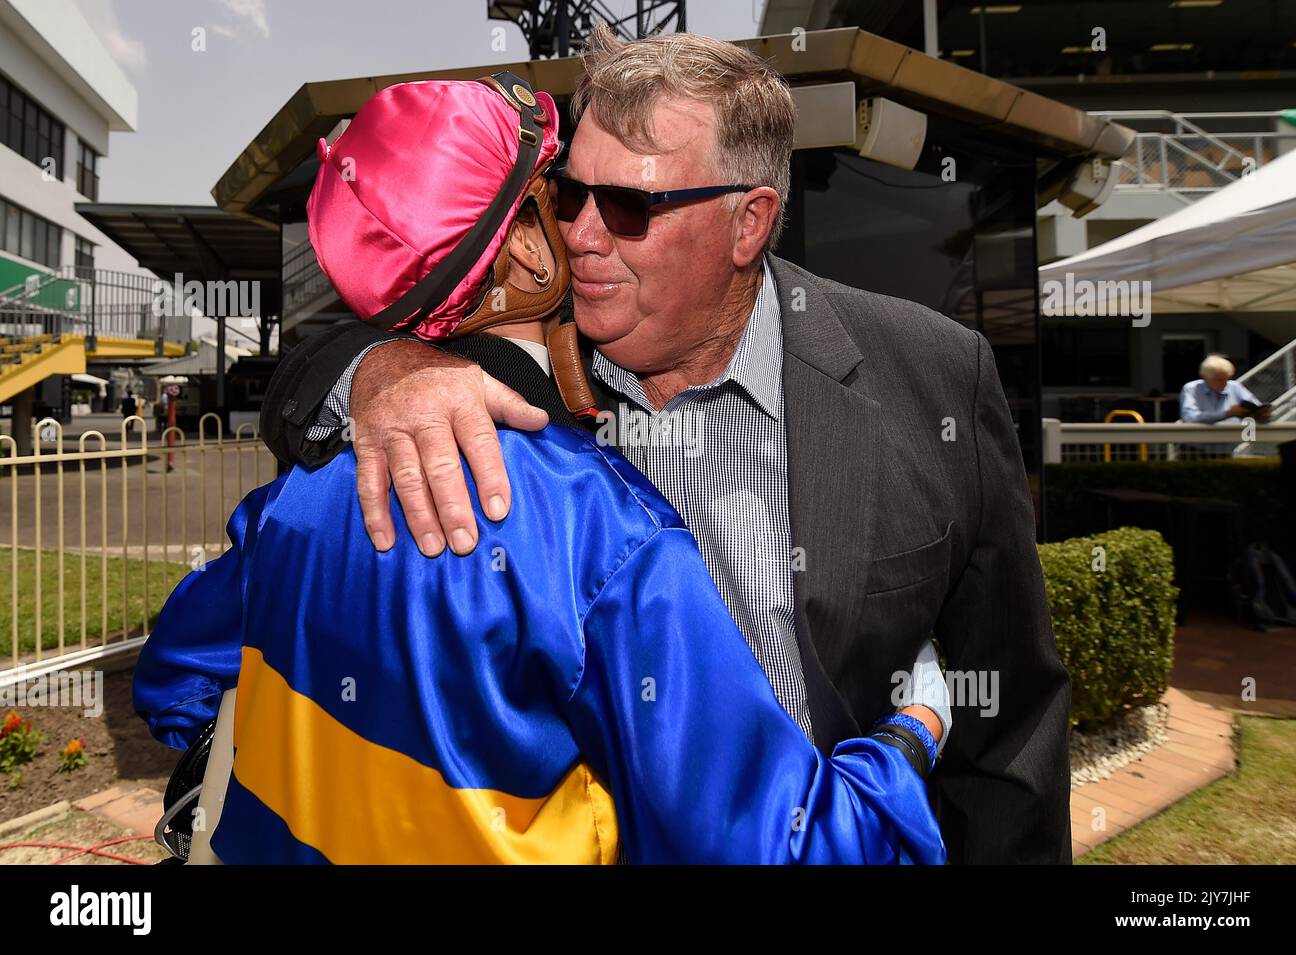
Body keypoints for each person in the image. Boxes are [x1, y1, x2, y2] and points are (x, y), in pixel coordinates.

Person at [259, 27, 1071, 864]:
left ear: (748, 222)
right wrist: (378, 369)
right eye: (568, 195)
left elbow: (1010, 730)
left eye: (629, 207)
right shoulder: (509, 368)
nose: (579, 234)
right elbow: (309, 381)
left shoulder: (933, 375)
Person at [134, 73, 946, 865]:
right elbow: (784, 843)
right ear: (525, 243)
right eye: (560, 195)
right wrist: (911, 734)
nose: (587, 228)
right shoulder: (607, 534)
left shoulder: (289, 503)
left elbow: (174, 680)